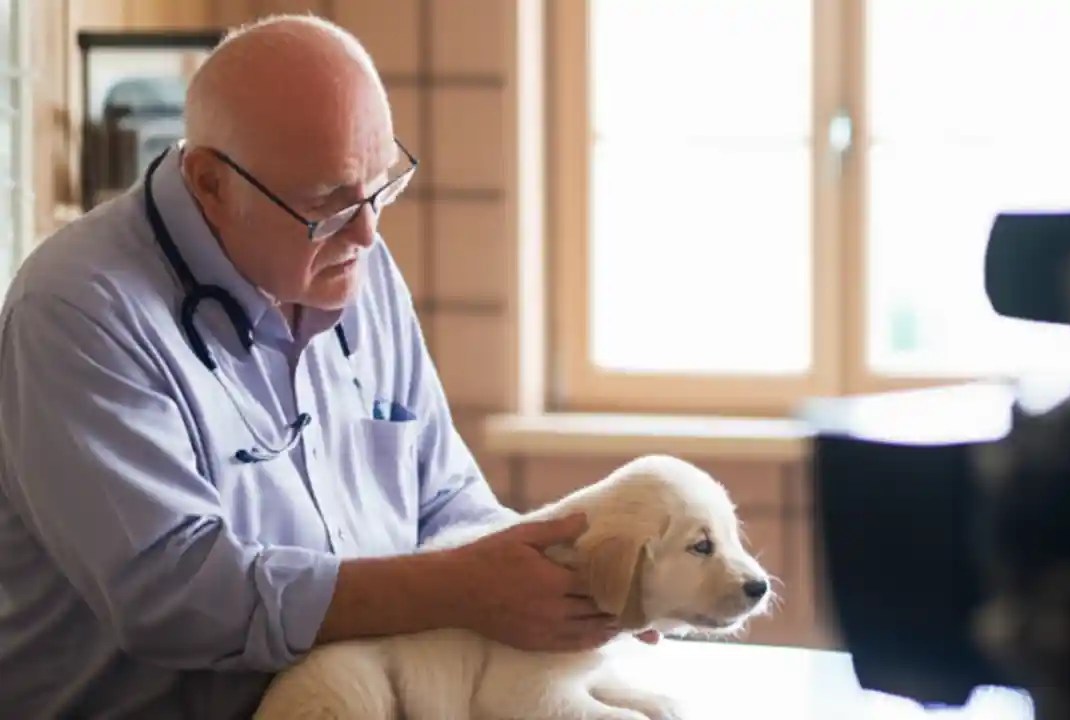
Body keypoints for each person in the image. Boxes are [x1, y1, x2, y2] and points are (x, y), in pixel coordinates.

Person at [0, 15, 654, 719]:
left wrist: (560, 579)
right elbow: (175, 594)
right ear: (210, 184)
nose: (368, 232)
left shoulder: (353, 255)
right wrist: (462, 589)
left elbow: (444, 502)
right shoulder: (78, 309)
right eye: (326, 203)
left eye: (381, 186)